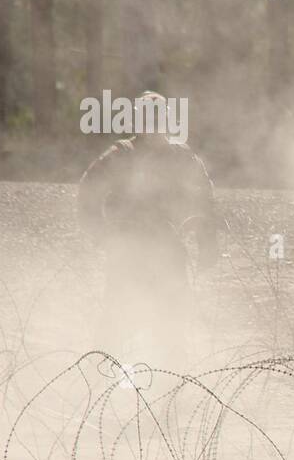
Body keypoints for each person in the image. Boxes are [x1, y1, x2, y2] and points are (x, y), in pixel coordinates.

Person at [78, 92, 219, 362]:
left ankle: (170, 391)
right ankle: (98, 388)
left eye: (158, 117)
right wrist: (103, 236)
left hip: (166, 253)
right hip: (130, 252)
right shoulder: (123, 154)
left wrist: (207, 242)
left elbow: (204, 199)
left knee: (169, 331)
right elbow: (88, 192)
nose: (153, 124)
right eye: (148, 118)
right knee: (115, 329)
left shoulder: (180, 156)